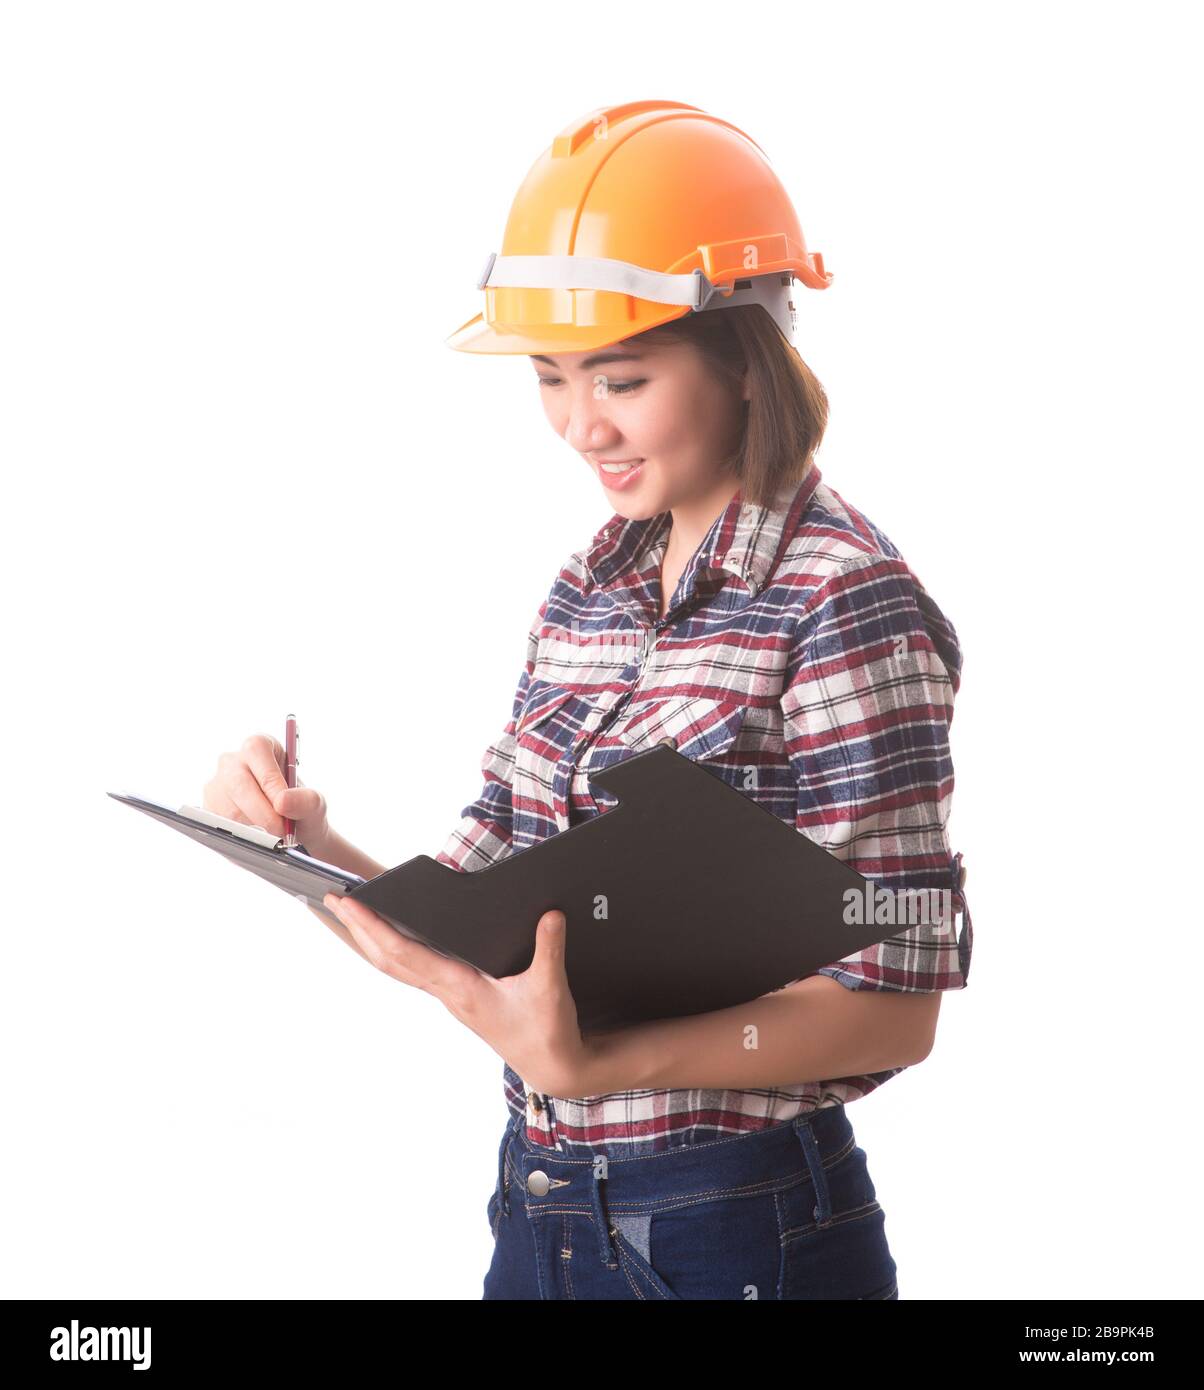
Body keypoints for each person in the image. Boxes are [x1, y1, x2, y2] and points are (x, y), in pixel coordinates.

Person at [202, 100, 972, 1301]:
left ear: (741, 356)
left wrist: (598, 1062)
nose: (579, 426)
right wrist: (298, 842)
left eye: (621, 376)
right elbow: (466, 918)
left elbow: (895, 1007)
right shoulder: (590, 585)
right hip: (541, 1206)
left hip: (739, 1228)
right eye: (552, 378)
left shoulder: (841, 598)